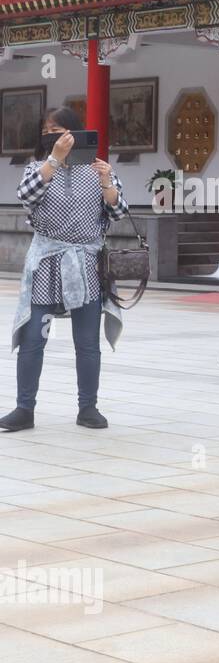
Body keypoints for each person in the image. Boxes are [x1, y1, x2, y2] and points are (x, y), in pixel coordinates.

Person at [2, 107, 127, 432]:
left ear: (75, 133)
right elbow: (25, 196)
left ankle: (88, 407)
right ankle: (24, 408)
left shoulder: (98, 170)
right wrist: (54, 161)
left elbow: (117, 212)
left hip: (85, 264)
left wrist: (106, 184)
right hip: (46, 263)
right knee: (34, 338)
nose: (51, 135)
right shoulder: (38, 169)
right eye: (47, 130)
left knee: (87, 341)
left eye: (57, 129)